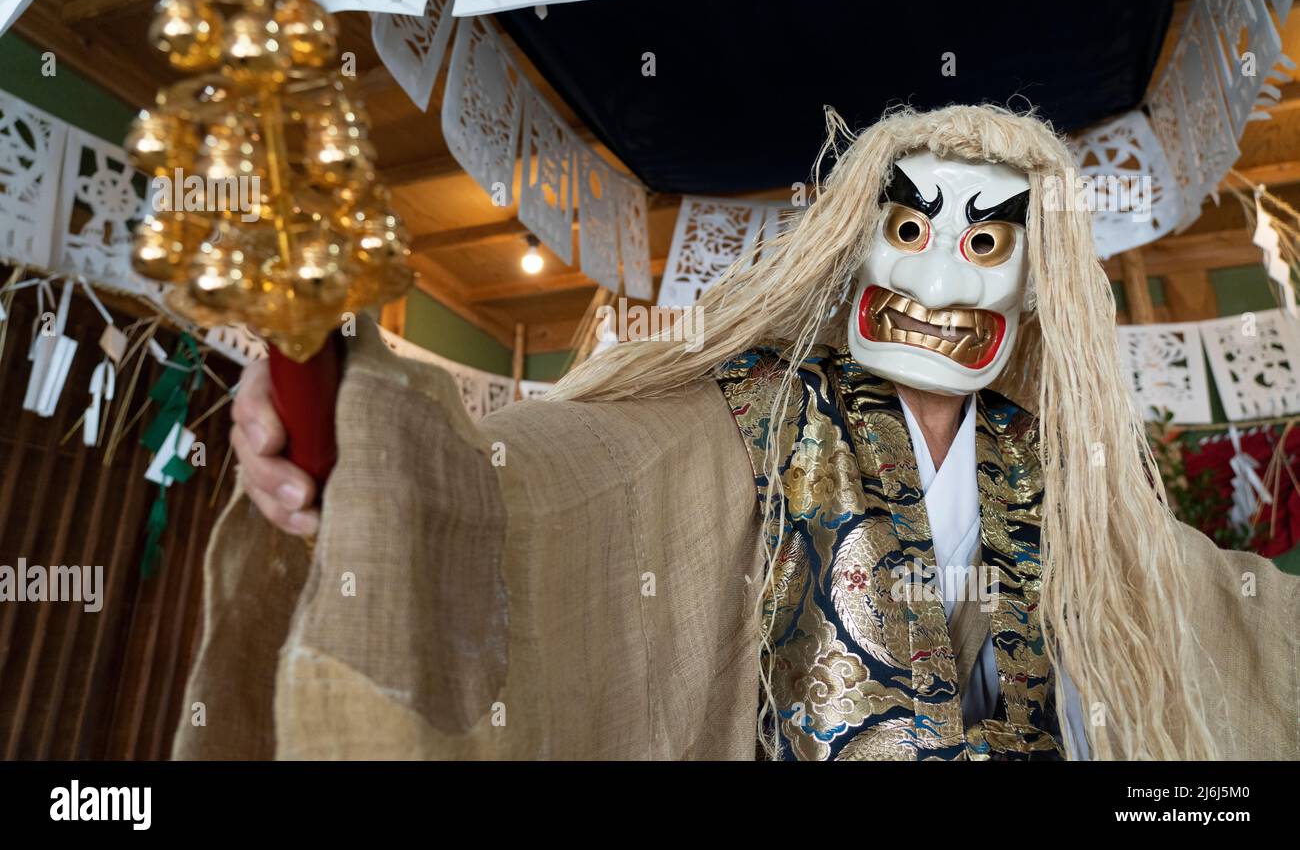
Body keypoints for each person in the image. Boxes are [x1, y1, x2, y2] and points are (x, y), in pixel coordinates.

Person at [177, 105, 1299, 761]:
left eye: (984, 245)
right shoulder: (755, 416)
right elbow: (553, 481)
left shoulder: (1067, 484)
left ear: (1038, 284)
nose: (929, 275)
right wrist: (368, 428)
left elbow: (1217, 616)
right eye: (906, 227)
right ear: (856, 248)